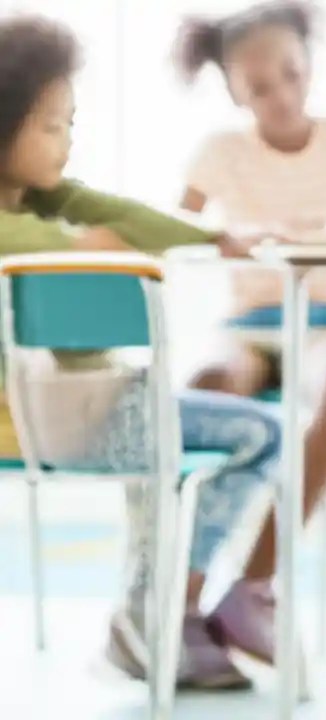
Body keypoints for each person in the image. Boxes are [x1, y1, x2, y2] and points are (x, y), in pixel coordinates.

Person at [0, 15, 282, 690]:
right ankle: (154, 608)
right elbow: (98, 245)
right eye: (48, 124)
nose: (65, 139)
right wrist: (195, 240)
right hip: (68, 422)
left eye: (69, 122)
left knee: (162, 447)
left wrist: (213, 236)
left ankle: (149, 611)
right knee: (264, 434)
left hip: (69, 422)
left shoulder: (47, 202)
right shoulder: (29, 232)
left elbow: (116, 213)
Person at [170, 0, 326, 665]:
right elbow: (175, 235)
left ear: (308, 65)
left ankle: (251, 585)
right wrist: (231, 242)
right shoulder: (219, 153)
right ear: (233, 91)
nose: (279, 95)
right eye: (258, 87)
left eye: (290, 74)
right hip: (250, 322)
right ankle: (179, 603)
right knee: (208, 385)